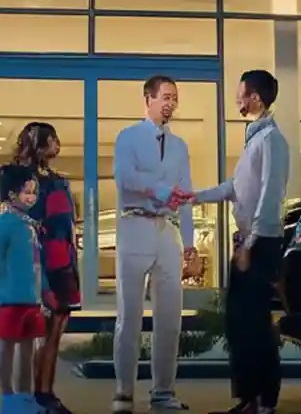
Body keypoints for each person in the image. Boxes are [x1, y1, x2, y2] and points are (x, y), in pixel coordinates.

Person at [190, 70, 290, 414]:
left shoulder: (272, 140)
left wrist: (249, 244)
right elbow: (235, 187)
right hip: (247, 242)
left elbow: (270, 196)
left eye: (241, 94)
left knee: (257, 325)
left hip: (259, 245)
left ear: (256, 99)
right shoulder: (253, 139)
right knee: (239, 323)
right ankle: (248, 399)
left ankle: (265, 402)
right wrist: (194, 196)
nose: (237, 99)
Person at [111, 75, 201, 413]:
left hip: (167, 231)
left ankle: (163, 391)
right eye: (165, 97)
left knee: (170, 318)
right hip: (134, 226)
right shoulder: (128, 137)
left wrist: (190, 245)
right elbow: (125, 177)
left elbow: (188, 194)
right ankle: (124, 391)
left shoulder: (179, 146)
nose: (170, 103)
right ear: (147, 99)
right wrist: (160, 190)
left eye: (174, 98)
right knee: (130, 316)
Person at [14, 121, 81, 414]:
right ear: (40, 144)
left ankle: (45, 392)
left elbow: (68, 223)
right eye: (52, 139)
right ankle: (37, 395)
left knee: (56, 329)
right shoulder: (26, 183)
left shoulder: (57, 181)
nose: (58, 144)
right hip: (42, 262)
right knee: (42, 331)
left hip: (63, 261)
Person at [0, 164, 47, 414]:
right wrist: (4, 274)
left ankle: (24, 396)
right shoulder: (6, 223)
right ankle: (8, 397)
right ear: (11, 194)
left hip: (32, 298)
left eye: (34, 191)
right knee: (7, 345)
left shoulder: (28, 224)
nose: (31, 197)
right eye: (26, 192)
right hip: (12, 298)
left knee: (28, 348)